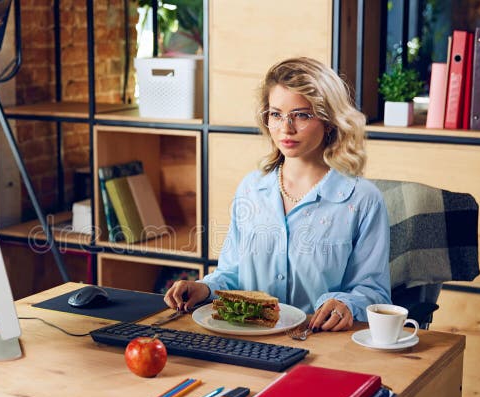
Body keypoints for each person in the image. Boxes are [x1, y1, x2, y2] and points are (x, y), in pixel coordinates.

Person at [164, 57, 391, 332]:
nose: (286, 128)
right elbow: (233, 273)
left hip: (319, 343)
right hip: (248, 341)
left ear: (329, 121)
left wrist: (347, 305)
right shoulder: (251, 188)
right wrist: (205, 288)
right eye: (276, 114)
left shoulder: (363, 200)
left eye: (302, 115)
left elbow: (374, 293)